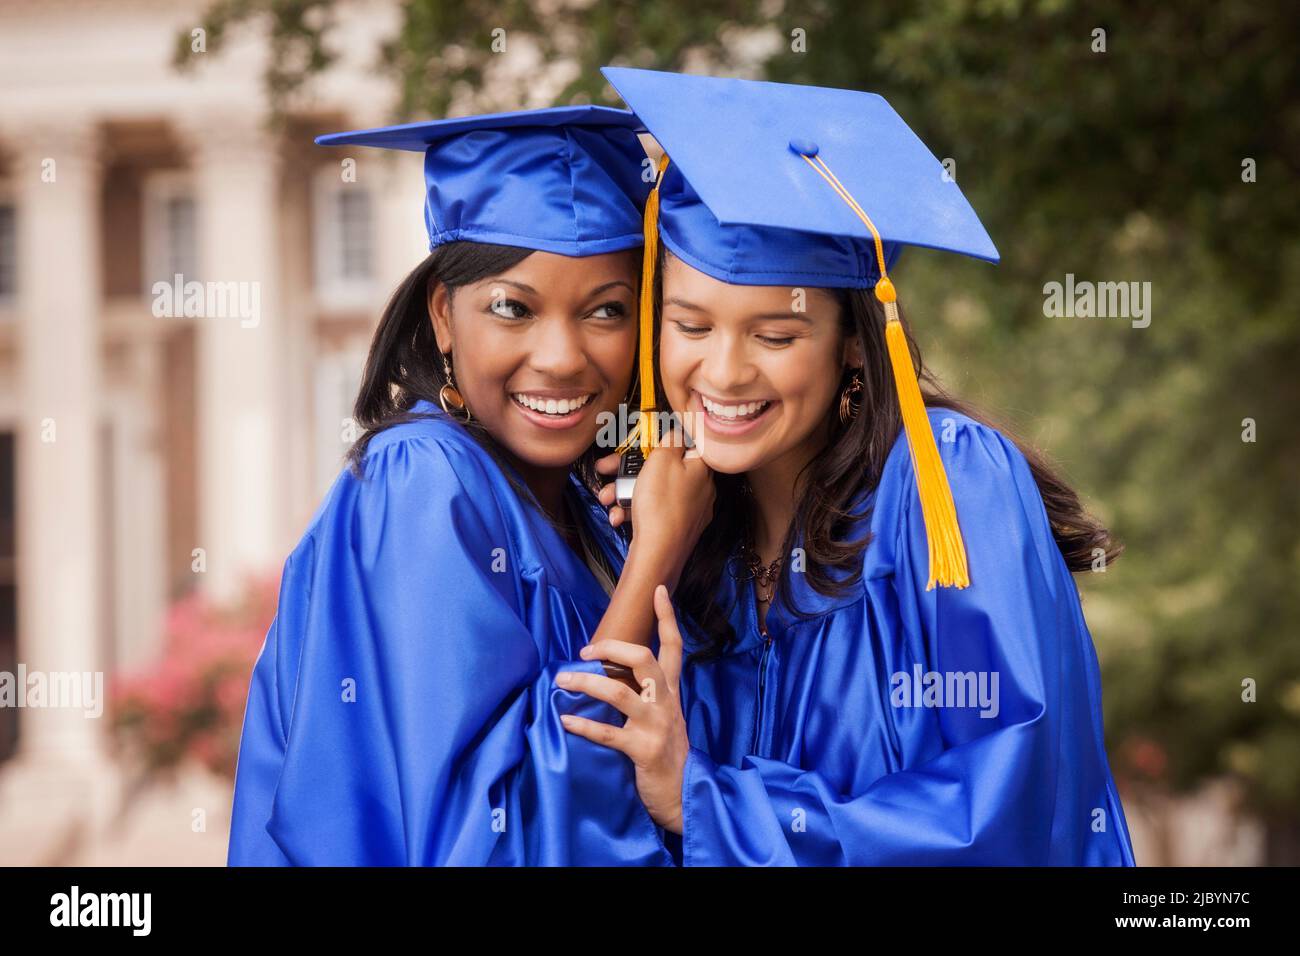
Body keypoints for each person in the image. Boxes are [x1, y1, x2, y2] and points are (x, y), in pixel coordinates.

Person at [558, 69, 1137, 866]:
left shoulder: (945, 489)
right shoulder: (679, 529)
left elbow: (1006, 802)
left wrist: (710, 803)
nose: (723, 375)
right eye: (690, 326)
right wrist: (654, 546)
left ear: (855, 344)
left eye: (775, 336)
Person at [227, 105, 713, 866]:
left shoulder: (577, 510)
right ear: (444, 317)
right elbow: (479, 836)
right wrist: (658, 558)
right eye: (513, 309)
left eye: (606, 311)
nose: (559, 357)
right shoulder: (420, 480)